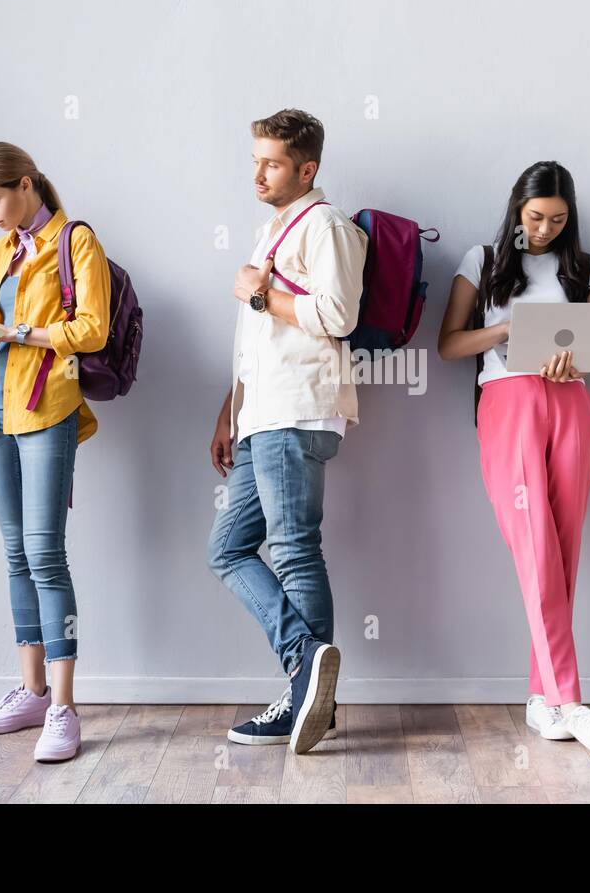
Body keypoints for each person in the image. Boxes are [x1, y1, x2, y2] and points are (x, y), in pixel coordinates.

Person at [0, 141, 111, 762]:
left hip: (46, 409)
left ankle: (64, 707)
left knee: (45, 554)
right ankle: (31, 691)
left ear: (26, 183)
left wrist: (19, 333)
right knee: (14, 553)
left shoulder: (75, 241)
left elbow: (92, 328)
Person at [437, 160, 590, 754]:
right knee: (535, 544)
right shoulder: (483, 262)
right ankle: (568, 698)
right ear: (518, 210)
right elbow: (448, 344)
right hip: (507, 401)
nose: (544, 229)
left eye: (558, 220)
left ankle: (542, 700)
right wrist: (510, 329)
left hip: (572, 404)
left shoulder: (586, 269)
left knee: (563, 552)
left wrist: (570, 358)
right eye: (536, 217)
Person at [206, 109, 368, 754]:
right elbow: (257, 345)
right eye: (255, 161)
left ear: (308, 168)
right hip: (261, 412)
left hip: (297, 408)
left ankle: (306, 692)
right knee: (228, 549)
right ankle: (308, 677)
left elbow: (337, 314)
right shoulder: (271, 230)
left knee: (295, 549)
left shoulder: (327, 226)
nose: (259, 173)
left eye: (271, 163)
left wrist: (256, 294)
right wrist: (228, 413)